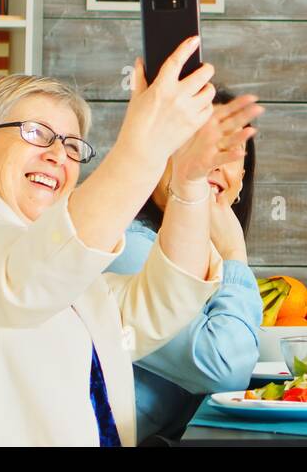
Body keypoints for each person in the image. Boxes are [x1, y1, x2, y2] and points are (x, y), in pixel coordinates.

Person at [0, 38, 264, 445]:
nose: (57, 156)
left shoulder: (46, 257)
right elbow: (25, 280)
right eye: (35, 133)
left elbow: (159, 306)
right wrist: (146, 145)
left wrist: (188, 181)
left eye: (70, 145)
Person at [106, 88, 261, 443]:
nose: (211, 161)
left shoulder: (205, 256)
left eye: (229, 148)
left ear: (242, 178)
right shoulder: (127, 245)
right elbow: (223, 368)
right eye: (194, 142)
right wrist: (236, 254)